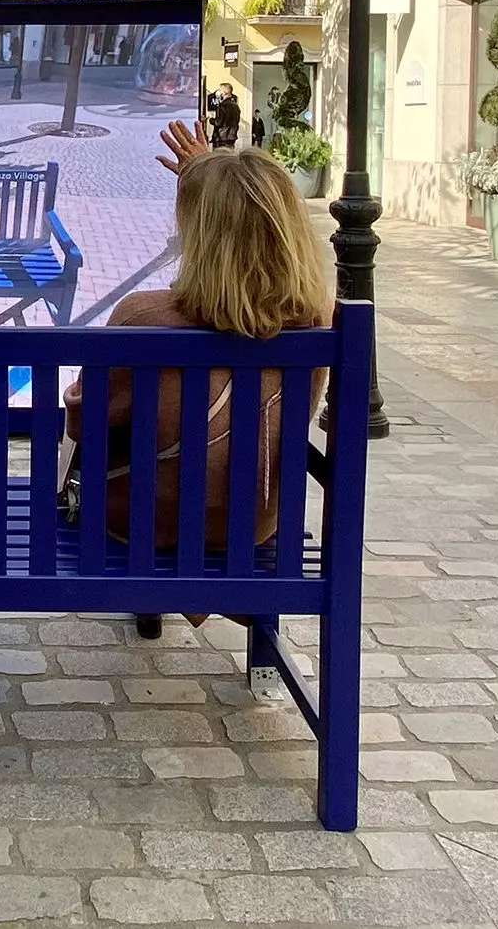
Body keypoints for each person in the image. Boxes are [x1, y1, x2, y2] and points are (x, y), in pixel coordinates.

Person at [64, 123, 333, 635]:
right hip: (249, 528)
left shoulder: (142, 318)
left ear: (198, 234)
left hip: (140, 524)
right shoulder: (315, 318)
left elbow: (85, 425)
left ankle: (156, 592)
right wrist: (213, 183)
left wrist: (205, 190)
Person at [208, 82, 242, 149]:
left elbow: (218, 122)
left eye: (220, 90)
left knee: (219, 158)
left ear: (224, 92)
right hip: (232, 137)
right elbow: (237, 121)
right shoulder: (236, 106)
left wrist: (210, 120)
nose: (219, 92)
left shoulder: (223, 105)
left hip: (221, 138)